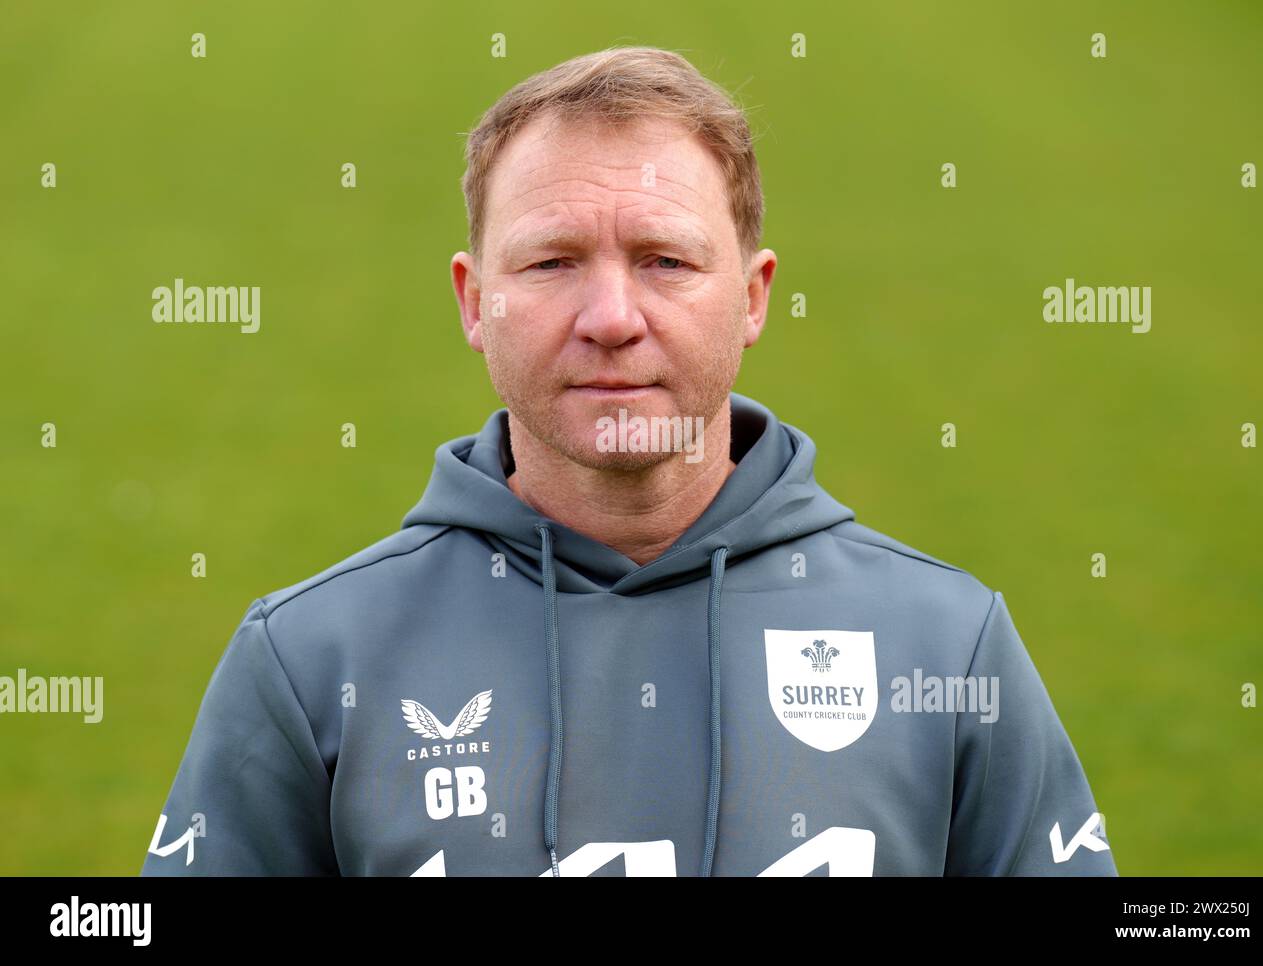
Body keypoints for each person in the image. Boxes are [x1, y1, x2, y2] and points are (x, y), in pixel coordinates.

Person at [141, 46, 1116, 876]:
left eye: (665, 261)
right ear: (475, 301)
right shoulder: (312, 659)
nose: (611, 320)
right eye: (553, 262)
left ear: (752, 296)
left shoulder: (944, 646)